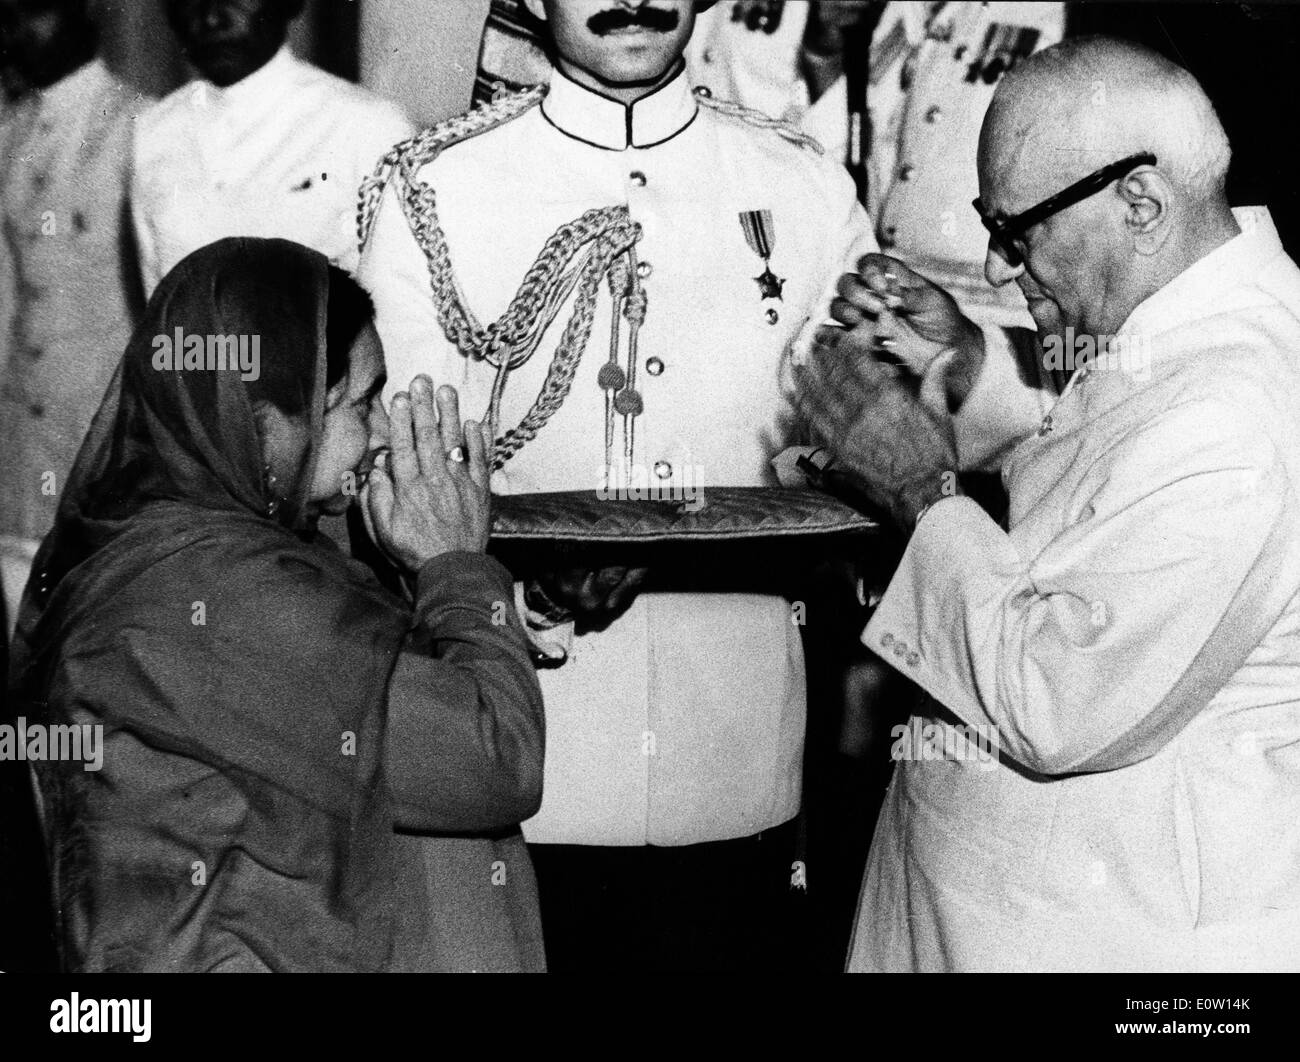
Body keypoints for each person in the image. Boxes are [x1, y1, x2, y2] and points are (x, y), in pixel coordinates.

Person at [359, 0, 874, 971]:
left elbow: (869, 451)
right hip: (519, 776)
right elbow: (395, 475)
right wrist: (523, 597)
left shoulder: (798, 184)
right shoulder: (435, 187)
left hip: (740, 772)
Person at [798, 35, 1300, 970]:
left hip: (1094, 935)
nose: (995, 269)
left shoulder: (1240, 413)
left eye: (1017, 233)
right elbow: (1109, 431)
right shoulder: (1199, 320)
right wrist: (967, 359)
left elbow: (1056, 699)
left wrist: (921, 492)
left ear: (1140, 203)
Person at [8, 237, 546, 972]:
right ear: (270, 417)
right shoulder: (218, 592)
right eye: (362, 403)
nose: (383, 434)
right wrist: (457, 564)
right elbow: (494, 759)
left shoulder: (158, 542)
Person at [0, 0, 149, 637]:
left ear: (86, 14)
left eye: (31, 9)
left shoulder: (142, 124)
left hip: (99, 434)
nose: (15, 27)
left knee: (99, 638)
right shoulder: (9, 131)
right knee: (20, 631)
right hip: (17, 437)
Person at [131, 0, 412, 296]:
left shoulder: (368, 125)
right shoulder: (153, 131)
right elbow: (159, 311)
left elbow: (405, 315)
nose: (211, 18)